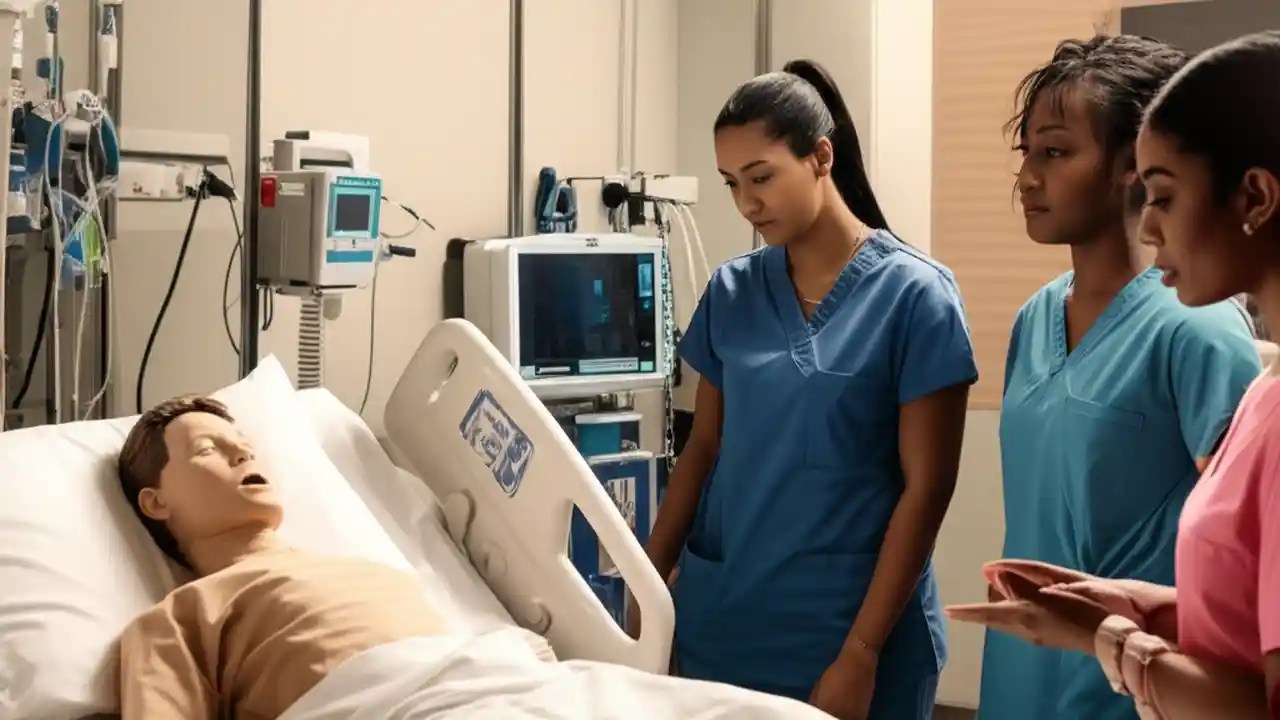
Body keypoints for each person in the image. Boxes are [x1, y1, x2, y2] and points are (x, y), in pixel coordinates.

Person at [949, 30, 1280, 720]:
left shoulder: (1196, 328)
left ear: (1132, 166)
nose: (1029, 177)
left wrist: (1127, 643)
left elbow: (1244, 568)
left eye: (1057, 152)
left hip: (1139, 689)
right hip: (1028, 664)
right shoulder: (1034, 319)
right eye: (1028, 153)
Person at [639, 58, 978, 720]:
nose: (746, 203)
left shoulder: (915, 296)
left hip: (850, 634)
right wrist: (645, 588)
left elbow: (927, 488)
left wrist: (861, 651)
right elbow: (702, 450)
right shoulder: (732, 293)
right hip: (727, 625)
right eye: (732, 183)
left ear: (821, 156)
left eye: (762, 177)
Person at [115, 394, 452, 719]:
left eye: (246, 446)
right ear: (157, 503)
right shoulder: (179, 621)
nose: (242, 454)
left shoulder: (382, 574)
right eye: (207, 449)